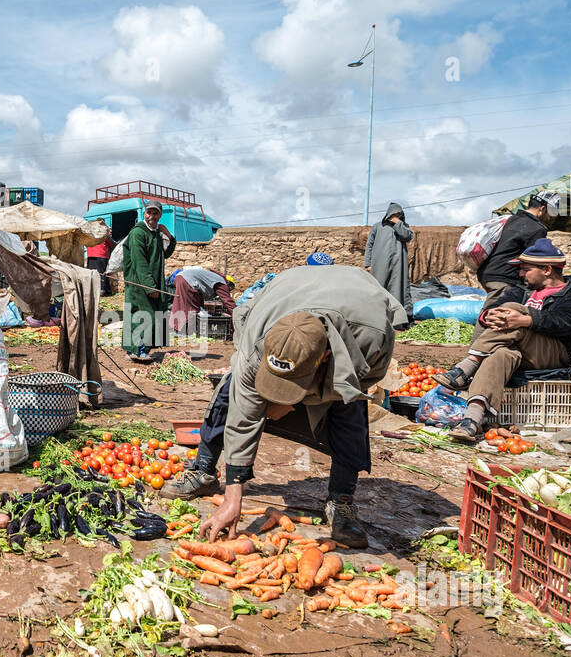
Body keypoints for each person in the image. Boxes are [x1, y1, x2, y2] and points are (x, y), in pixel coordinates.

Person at [161, 265, 406, 548]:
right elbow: (243, 417)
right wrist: (232, 497)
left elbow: (367, 381)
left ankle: (341, 501)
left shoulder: (371, 337)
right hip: (285, 293)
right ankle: (203, 470)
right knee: (229, 393)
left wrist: (295, 402)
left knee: (349, 410)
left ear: (325, 357)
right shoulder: (257, 339)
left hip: (356, 305)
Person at [435, 239, 571, 442]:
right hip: (517, 353)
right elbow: (489, 313)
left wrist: (526, 320)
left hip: (553, 354)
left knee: (516, 311)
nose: (520, 274)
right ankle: (471, 420)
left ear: (546, 269)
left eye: (525, 269)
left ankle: (469, 365)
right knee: (501, 353)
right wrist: (489, 316)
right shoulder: (519, 291)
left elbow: (569, 323)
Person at [478, 190, 557, 306]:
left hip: (487, 272)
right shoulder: (537, 228)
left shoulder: (510, 220)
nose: (550, 218)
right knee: (493, 316)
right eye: (551, 213)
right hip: (504, 277)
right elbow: (536, 258)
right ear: (543, 209)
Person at [122, 202, 176, 362]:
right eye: (149, 213)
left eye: (155, 213)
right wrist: (149, 287)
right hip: (139, 283)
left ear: (160, 216)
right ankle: (137, 351)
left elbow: (164, 255)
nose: (152, 216)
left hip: (152, 282)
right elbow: (140, 262)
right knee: (143, 315)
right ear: (144, 214)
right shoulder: (138, 233)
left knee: (151, 315)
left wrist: (170, 237)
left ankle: (138, 350)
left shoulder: (155, 234)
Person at [364, 202, 413, 313]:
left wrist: (398, 223)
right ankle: (376, 314)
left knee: (398, 289)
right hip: (379, 264)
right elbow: (369, 245)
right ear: (389, 213)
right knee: (378, 287)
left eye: (399, 214)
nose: (397, 216)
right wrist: (368, 264)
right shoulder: (378, 226)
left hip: (398, 264)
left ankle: (398, 316)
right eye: (395, 214)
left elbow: (407, 236)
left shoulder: (404, 226)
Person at [169, 266, 236, 334]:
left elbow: (199, 297)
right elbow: (227, 301)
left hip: (180, 277)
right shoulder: (221, 283)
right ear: (228, 283)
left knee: (180, 305)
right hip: (187, 281)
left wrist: (203, 310)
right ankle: (183, 332)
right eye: (230, 288)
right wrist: (237, 313)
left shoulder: (213, 278)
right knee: (191, 309)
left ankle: (178, 330)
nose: (229, 290)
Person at [86, 222, 115, 296]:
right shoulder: (103, 233)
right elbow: (112, 244)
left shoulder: (89, 234)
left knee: (92, 273)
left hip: (90, 256)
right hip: (101, 256)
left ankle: (93, 290)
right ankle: (103, 290)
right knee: (103, 273)